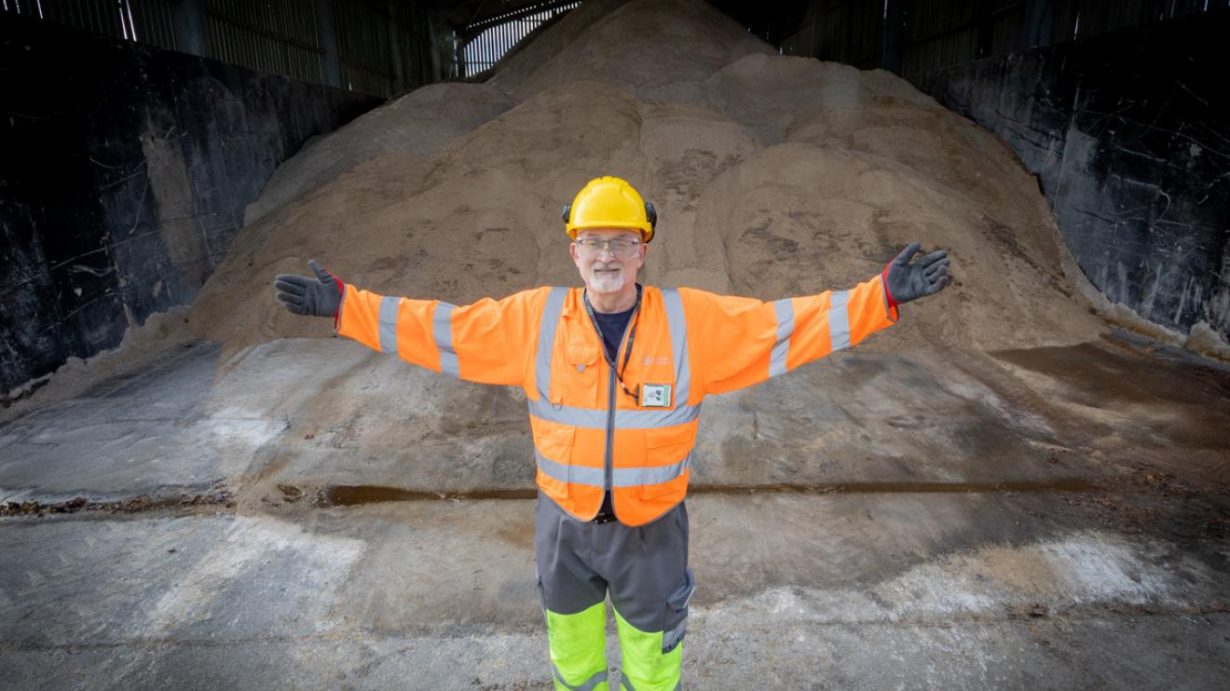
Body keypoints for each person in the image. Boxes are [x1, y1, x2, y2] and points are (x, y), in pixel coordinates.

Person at [274, 176, 951, 690]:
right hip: (564, 530)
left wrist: (878, 298)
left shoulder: (693, 325)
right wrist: (349, 307)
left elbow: (786, 326)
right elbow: (438, 329)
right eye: (594, 242)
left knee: (653, 668)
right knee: (573, 663)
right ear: (573, 251)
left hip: (652, 534)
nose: (607, 255)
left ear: (642, 250)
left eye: (621, 242)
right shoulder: (533, 321)